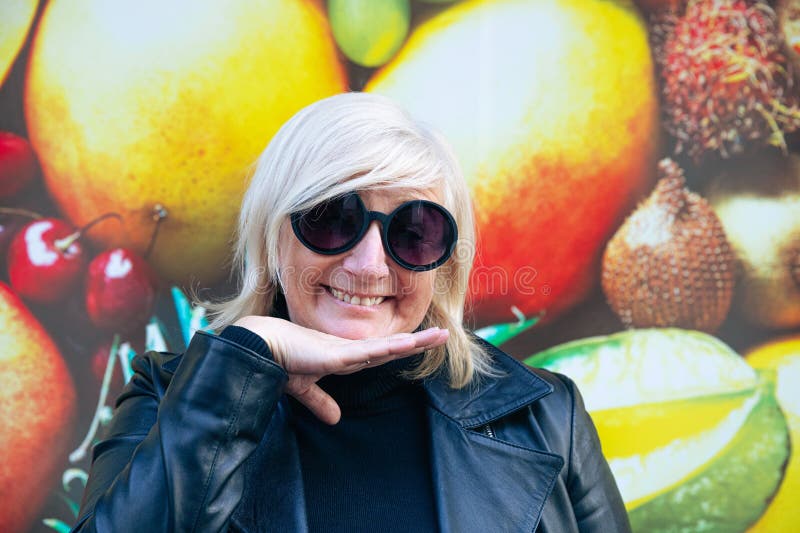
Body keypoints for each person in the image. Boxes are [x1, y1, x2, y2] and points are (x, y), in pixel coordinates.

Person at [72, 92, 630, 532]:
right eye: (333, 218)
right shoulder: (171, 400)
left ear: (444, 263)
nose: (369, 266)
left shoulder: (549, 418)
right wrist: (242, 367)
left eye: (414, 232)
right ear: (272, 241)